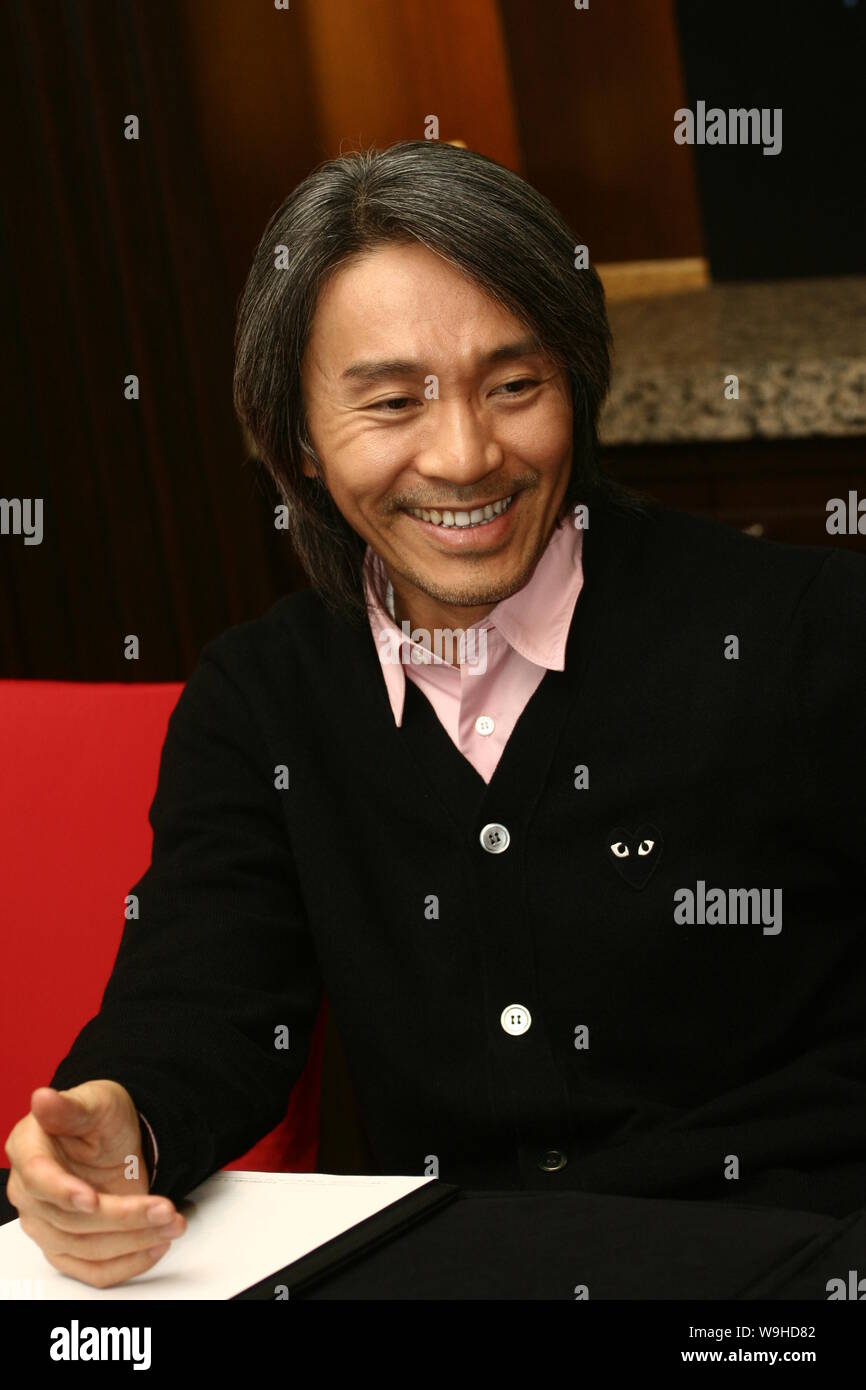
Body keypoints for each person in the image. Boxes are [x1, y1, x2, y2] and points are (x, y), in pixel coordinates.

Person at [5, 140, 866, 1290]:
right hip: (460, 1275)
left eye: (514, 386)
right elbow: (203, 1006)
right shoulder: (263, 699)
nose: (464, 455)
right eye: (390, 401)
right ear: (297, 441)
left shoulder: (803, 630)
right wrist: (118, 1125)